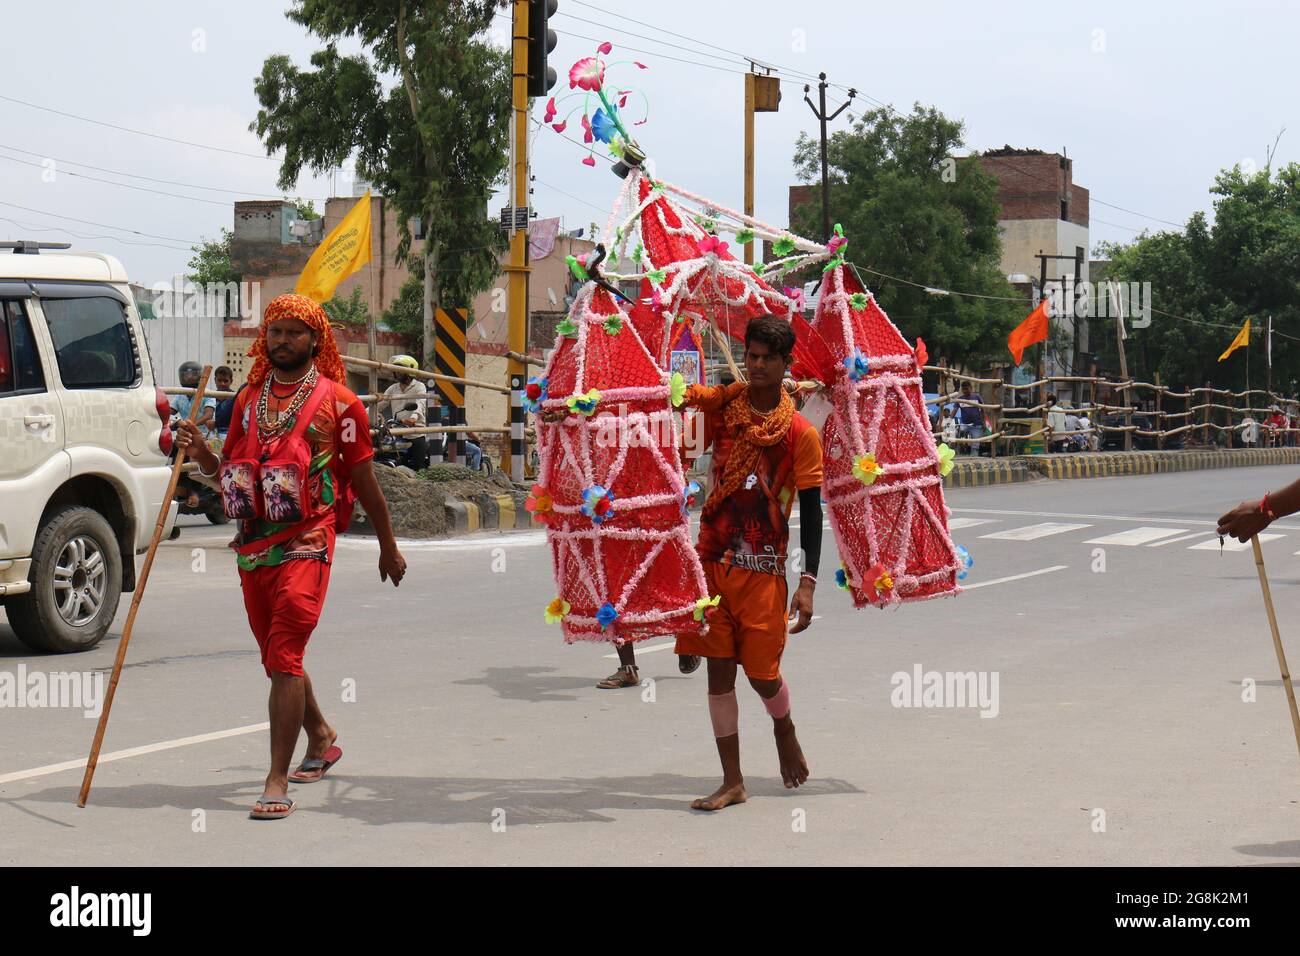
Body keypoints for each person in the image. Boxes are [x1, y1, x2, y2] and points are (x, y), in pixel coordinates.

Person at [174, 293, 406, 821]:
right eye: (274, 331)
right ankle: (321, 735)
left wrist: (387, 545)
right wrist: (201, 454)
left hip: (310, 538)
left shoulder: (343, 404)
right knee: (278, 657)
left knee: (285, 653)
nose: (282, 340)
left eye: (293, 332)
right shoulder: (248, 400)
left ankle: (276, 779)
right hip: (255, 544)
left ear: (315, 340)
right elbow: (226, 470)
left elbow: (364, 477)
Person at [672, 316, 823, 811]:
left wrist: (807, 583)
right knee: (719, 673)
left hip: (762, 570)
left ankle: (784, 728)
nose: (756, 366)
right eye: (751, 356)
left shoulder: (800, 434)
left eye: (767, 359)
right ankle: (732, 781)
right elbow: (679, 443)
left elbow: (814, 511)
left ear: (785, 365)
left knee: (762, 676)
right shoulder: (722, 413)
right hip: (712, 561)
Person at [380, 355, 429, 470]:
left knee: (418, 467)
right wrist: (362, 413)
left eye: (401, 371)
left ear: (410, 372)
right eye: (396, 371)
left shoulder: (419, 386)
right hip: (397, 432)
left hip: (415, 432)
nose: (397, 373)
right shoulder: (393, 388)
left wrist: (413, 418)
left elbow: (420, 403)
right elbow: (380, 404)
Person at [212, 366, 245, 444]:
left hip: (231, 437)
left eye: (225, 381)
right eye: (219, 380)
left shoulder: (237, 398)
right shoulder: (209, 397)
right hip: (212, 437)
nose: (222, 384)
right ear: (215, 380)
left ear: (231, 381)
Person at [955, 381, 985, 456]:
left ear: (971, 388)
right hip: (964, 424)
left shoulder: (977, 397)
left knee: (975, 444)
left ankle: (973, 458)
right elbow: (954, 410)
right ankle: (959, 453)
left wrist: (984, 422)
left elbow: (983, 410)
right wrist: (949, 420)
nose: (965, 391)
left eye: (967, 389)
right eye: (964, 389)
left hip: (976, 424)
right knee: (957, 434)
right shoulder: (960, 399)